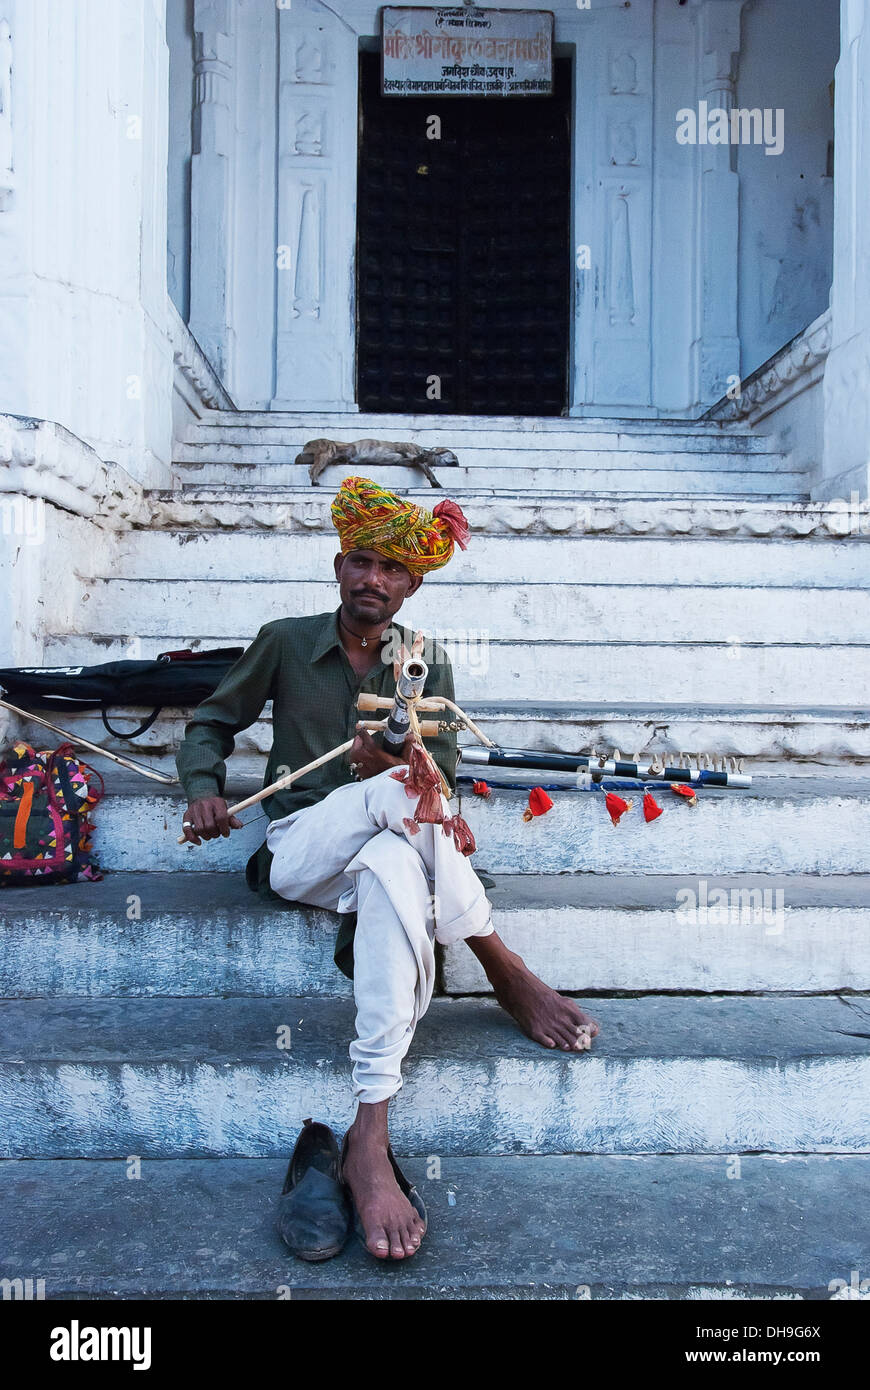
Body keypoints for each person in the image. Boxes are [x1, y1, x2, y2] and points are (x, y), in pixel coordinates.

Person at [176, 475, 599, 1262]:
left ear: (411, 585)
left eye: (393, 571)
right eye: (363, 562)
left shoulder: (424, 660)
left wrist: (404, 765)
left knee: (393, 869)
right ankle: (498, 961)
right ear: (340, 566)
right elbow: (211, 722)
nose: (375, 579)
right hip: (300, 845)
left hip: (384, 848)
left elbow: (437, 769)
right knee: (385, 801)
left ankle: (369, 1130)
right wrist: (203, 791)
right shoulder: (282, 639)